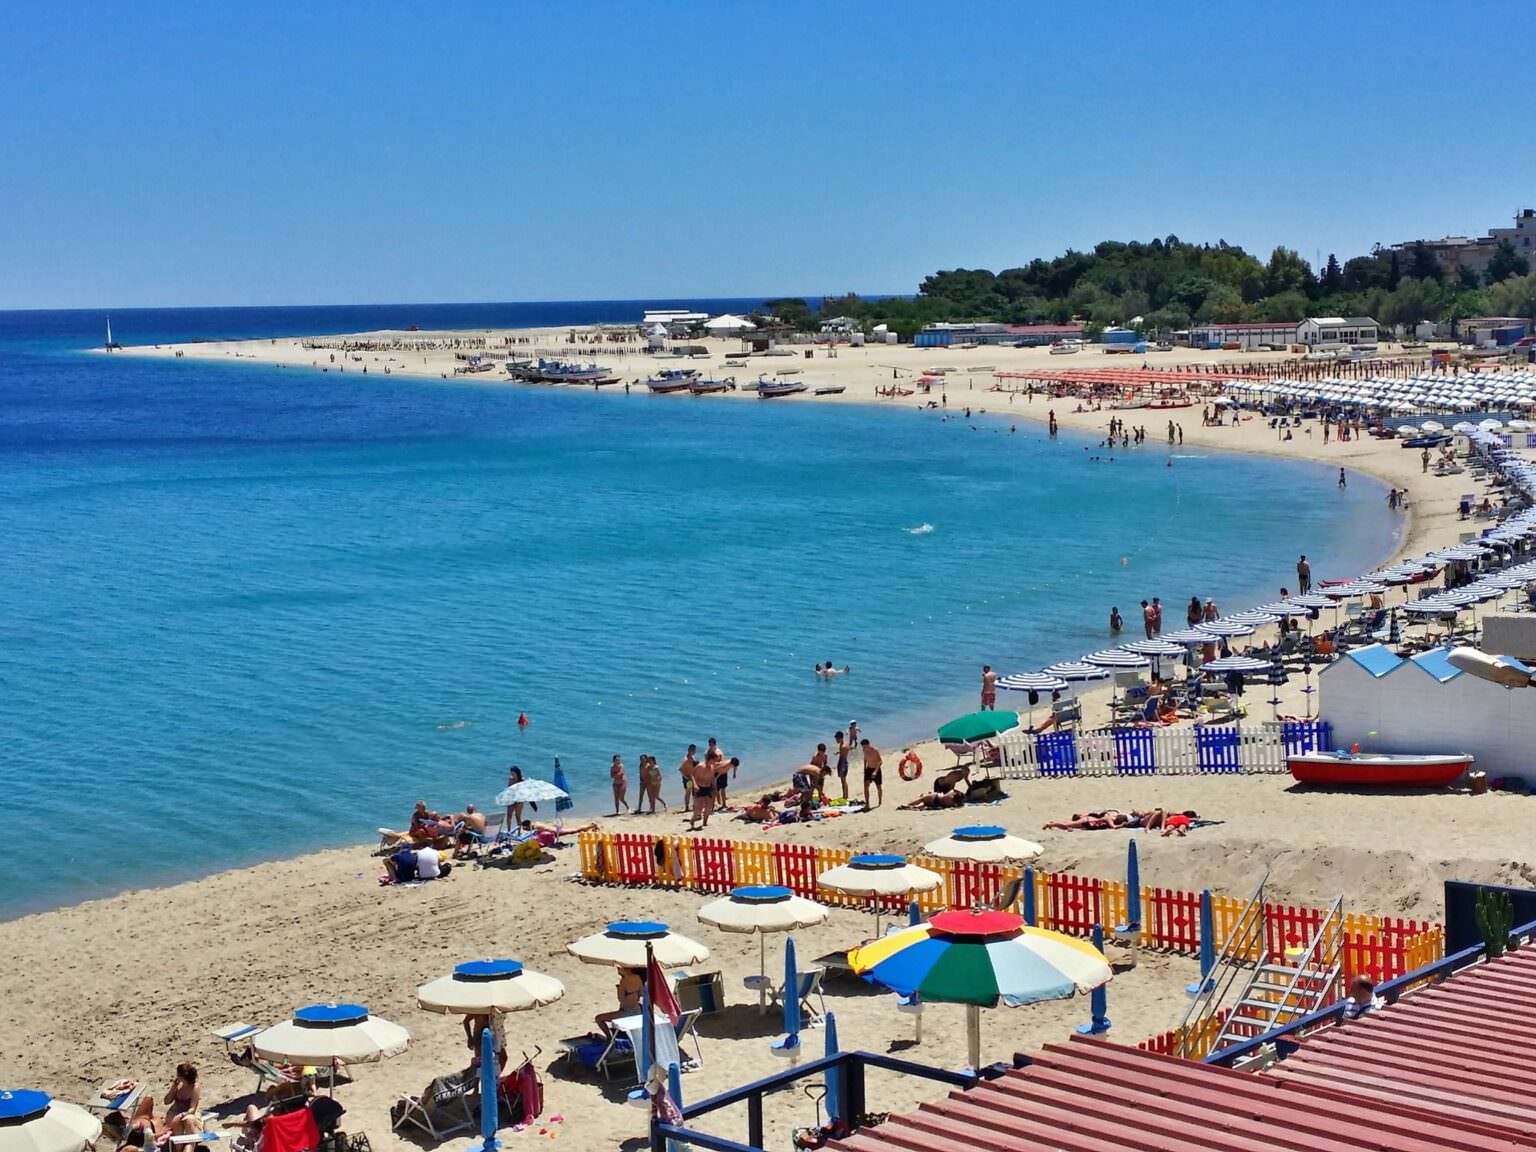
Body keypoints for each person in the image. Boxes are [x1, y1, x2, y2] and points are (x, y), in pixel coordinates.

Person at [688, 754, 716, 830]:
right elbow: (691, 775)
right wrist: (695, 785)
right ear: (709, 759)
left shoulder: (712, 767)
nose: (715, 762)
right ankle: (692, 820)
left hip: (708, 788)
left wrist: (714, 787)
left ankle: (705, 823)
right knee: (698, 809)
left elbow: (712, 778)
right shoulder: (700, 766)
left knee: (709, 808)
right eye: (714, 760)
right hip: (699, 788)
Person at [860, 738, 883, 809]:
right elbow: (865, 759)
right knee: (866, 786)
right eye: (862, 747)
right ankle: (867, 804)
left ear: (868, 745)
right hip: (868, 769)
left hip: (876, 769)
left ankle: (880, 802)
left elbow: (880, 761)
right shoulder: (864, 751)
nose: (863, 748)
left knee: (878, 787)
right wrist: (864, 767)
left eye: (864, 747)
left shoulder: (875, 750)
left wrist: (875, 772)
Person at [898, 790, 965, 811]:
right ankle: (915, 807)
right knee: (924, 802)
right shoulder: (953, 803)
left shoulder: (951, 794)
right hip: (937, 804)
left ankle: (909, 804)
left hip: (936, 797)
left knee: (922, 799)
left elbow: (945, 795)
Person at [679, 743, 698, 811]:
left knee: (694, 792)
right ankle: (687, 807)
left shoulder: (692, 757)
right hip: (688, 779)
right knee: (688, 792)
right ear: (689, 750)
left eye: (694, 750)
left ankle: (694, 806)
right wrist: (686, 777)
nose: (694, 751)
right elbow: (680, 769)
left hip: (692, 777)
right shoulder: (685, 759)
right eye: (692, 750)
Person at [833, 729, 851, 800]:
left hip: (843, 763)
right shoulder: (843, 744)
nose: (836, 740)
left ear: (840, 738)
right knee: (843, 780)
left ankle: (845, 796)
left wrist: (842, 768)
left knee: (843, 780)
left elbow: (843, 758)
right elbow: (843, 753)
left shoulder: (843, 746)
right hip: (842, 761)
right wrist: (838, 752)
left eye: (837, 738)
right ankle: (845, 795)